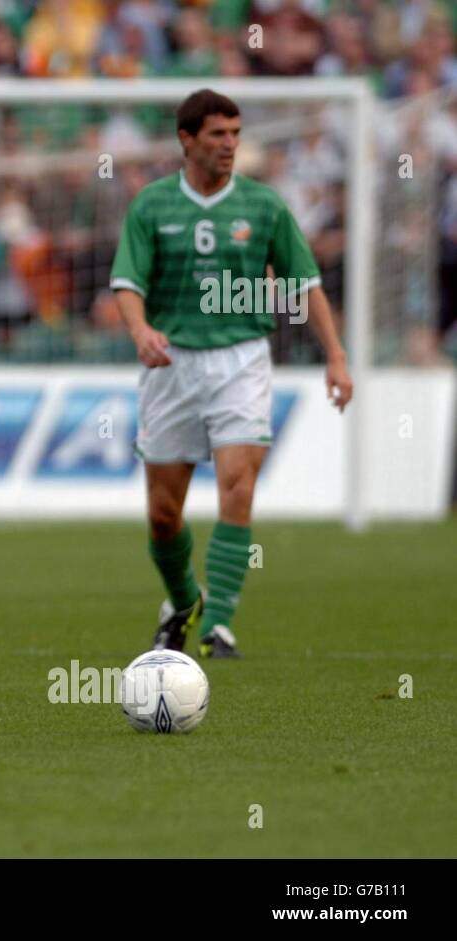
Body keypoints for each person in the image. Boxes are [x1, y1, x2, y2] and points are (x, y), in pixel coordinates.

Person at [110, 89, 354, 659]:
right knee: (163, 515)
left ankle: (219, 624)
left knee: (237, 487)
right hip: (171, 364)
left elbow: (305, 284)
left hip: (242, 359)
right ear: (187, 139)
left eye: (236, 134)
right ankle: (184, 600)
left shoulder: (265, 206)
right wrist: (141, 331)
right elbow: (127, 284)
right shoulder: (151, 206)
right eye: (218, 134)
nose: (230, 145)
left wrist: (336, 356)